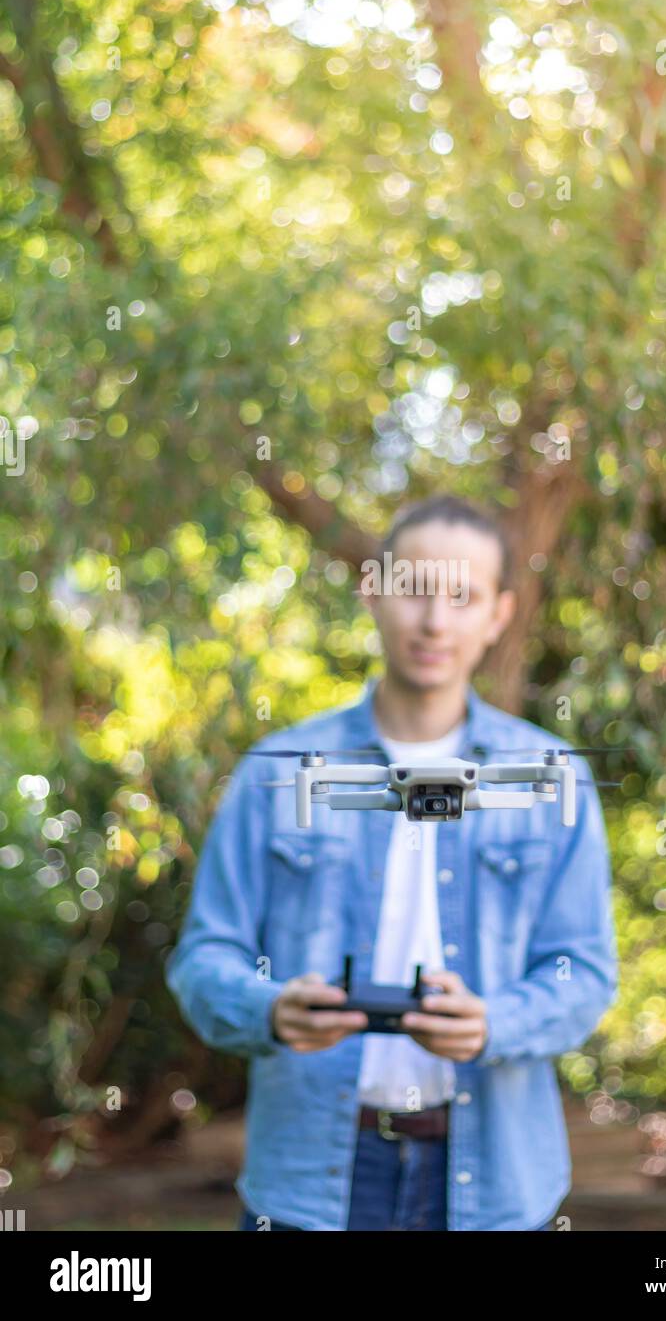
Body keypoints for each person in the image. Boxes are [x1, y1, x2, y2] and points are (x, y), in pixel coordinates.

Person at [164, 495, 618, 1231]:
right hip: (310, 1183)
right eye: (414, 590)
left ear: (498, 614)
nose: (436, 622)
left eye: (463, 597)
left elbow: (585, 971)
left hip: (493, 1187)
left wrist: (493, 1024)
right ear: (373, 592)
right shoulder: (278, 769)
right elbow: (206, 955)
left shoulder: (549, 775)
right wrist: (270, 1010)